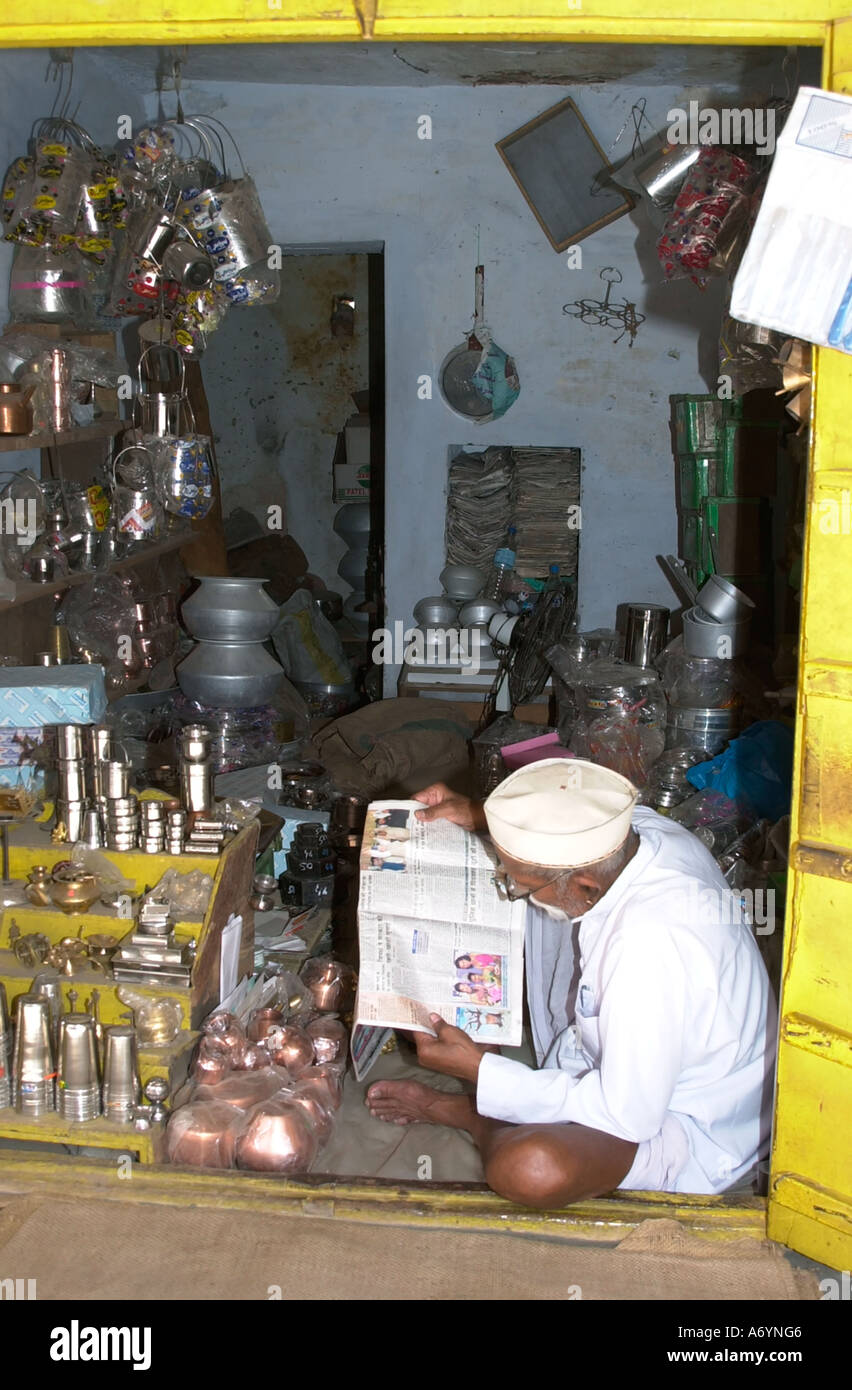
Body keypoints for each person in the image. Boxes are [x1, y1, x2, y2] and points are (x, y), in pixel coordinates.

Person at [366, 758, 777, 1207]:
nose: (512, 886)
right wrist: (478, 813)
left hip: (685, 1121)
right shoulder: (646, 836)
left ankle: (476, 1115)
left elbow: (630, 1117)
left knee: (530, 1169)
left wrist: (482, 1072)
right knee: (540, 931)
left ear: (585, 886)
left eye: (517, 884)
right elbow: (576, 806)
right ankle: (503, 1103)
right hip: (630, 1062)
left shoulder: (651, 947)